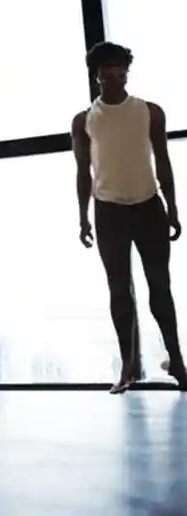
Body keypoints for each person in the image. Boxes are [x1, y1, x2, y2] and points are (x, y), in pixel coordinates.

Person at [71, 42, 185, 393]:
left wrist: (173, 207)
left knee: (160, 289)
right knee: (119, 291)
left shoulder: (150, 111)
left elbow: (162, 161)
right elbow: (82, 172)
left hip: (149, 206)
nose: (116, 74)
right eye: (109, 68)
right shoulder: (83, 121)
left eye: (122, 68)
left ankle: (178, 362)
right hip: (108, 211)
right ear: (97, 74)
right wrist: (83, 218)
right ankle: (128, 368)